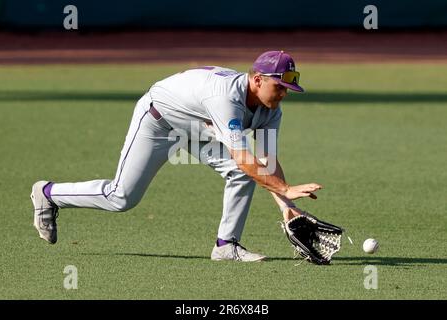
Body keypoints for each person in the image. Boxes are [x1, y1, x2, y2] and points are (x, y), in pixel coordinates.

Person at [30, 50, 322, 262]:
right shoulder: (225, 98)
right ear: (257, 80)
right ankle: (48, 193)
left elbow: (266, 161)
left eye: (288, 89)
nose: (284, 94)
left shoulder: (271, 110)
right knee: (121, 197)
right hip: (158, 120)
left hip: (197, 125)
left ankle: (226, 246)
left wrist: (286, 207)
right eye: (280, 86)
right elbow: (248, 160)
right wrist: (283, 188)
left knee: (240, 173)